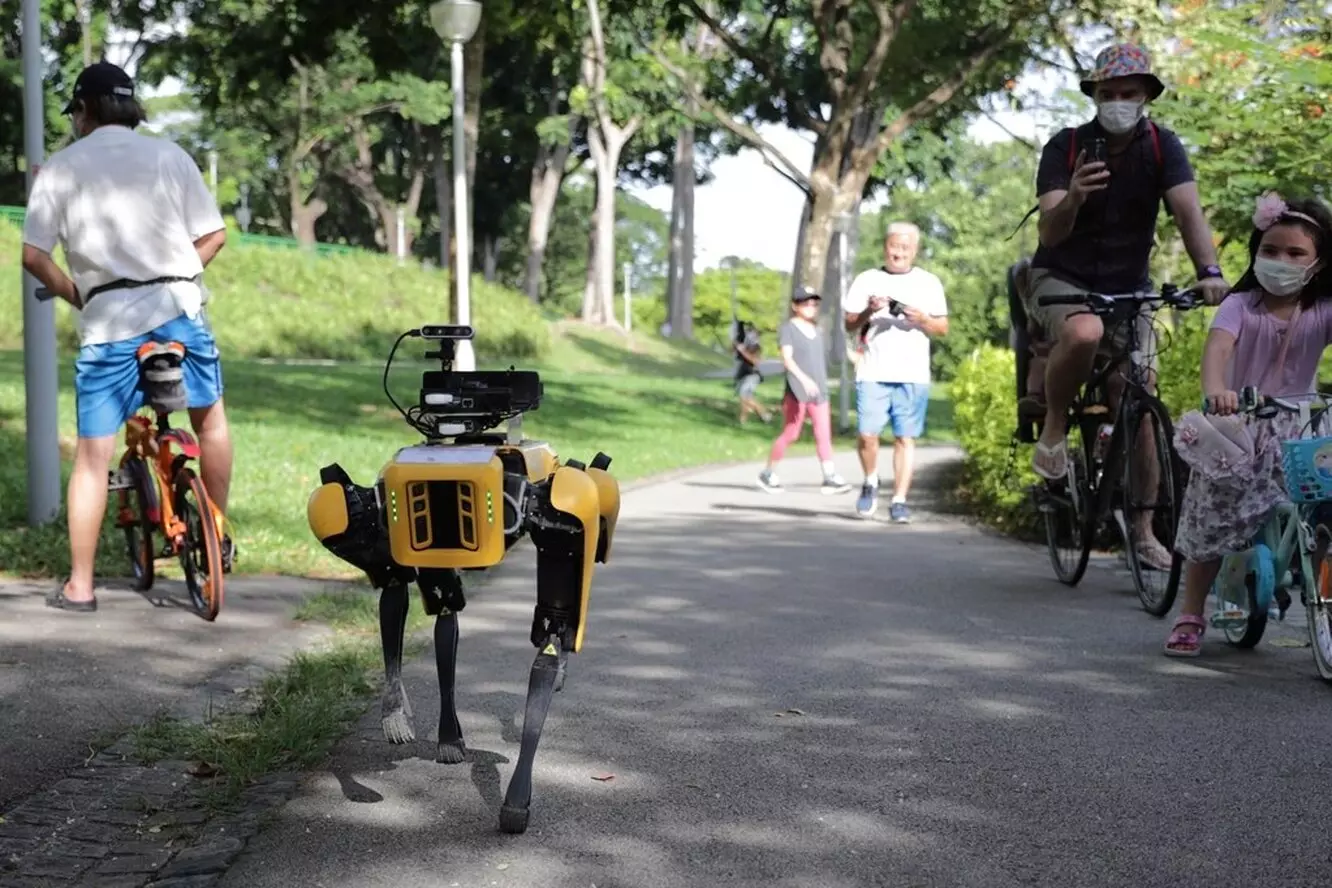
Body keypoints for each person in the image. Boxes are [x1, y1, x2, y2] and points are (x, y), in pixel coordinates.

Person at [21, 62, 234, 613]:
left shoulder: (62, 168)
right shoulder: (170, 155)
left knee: (95, 456)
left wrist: (77, 293)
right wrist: (180, 273)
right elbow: (214, 234)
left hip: (110, 324)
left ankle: (81, 586)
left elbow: (33, 255)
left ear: (84, 110)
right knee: (209, 419)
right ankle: (217, 529)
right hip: (180, 311)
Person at [1024, 41, 1231, 569]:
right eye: (1108, 93)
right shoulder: (1065, 146)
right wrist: (1072, 196)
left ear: (1146, 98)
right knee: (1085, 333)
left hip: (1128, 285)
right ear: (1094, 95)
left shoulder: (1163, 147)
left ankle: (1142, 531)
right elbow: (1048, 231)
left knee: (1138, 399)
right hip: (1060, 278)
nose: (1118, 101)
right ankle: (1053, 429)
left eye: (1128, 93)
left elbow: (1188, 213)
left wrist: (1210, 273)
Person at [1164, 193, 1332, 657]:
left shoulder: (1323, 309)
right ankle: (1191, 611)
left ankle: (1322, 599)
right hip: (1238, 429)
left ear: (1318, 263)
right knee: (1211, 518)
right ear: (1256, 252)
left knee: (1320, 510)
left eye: (1296, 253)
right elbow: (1217, 348)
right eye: (1270, 250)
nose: (1281, 261)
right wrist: (1218, 390)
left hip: (1302, 428)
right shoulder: (1241, 304)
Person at [842, 222, 949, 523]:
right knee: (867, 434)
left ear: (915, 250)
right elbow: (849, 324)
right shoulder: (868, 279)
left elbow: (942, 327)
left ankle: (900, 500)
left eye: (905, 247)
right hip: (873, 369)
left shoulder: (928, 282)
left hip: (913, 373)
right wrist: (869, 311)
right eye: (894, 246)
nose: (898, 252)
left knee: (905, 438)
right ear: (885, 247)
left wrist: (922, 317)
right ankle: (870, 482)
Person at [757, 288, 853, 494]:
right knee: (792, 433)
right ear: (795, 306)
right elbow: (787, 359)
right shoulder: (788, 329)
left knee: (823, 433)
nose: (810, 307)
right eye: (805, 303)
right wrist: (803, 380)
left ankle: (829, 477)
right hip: (797, 389)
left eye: (814, 303)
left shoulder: (817, 330)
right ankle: (768, 473)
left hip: (819, 389)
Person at [732, 320, 771, 424]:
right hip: (743, 374)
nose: (749, 334)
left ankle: (763, 414)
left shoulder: (757, 347)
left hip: (752, 375)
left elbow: (755, 360)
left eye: (752, 332)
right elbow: (732, 351)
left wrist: (742, 350)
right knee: (745, 398)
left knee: (744, 396)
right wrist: (735, 344)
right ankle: (744, 420)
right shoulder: (745, 344)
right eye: (748, 331)